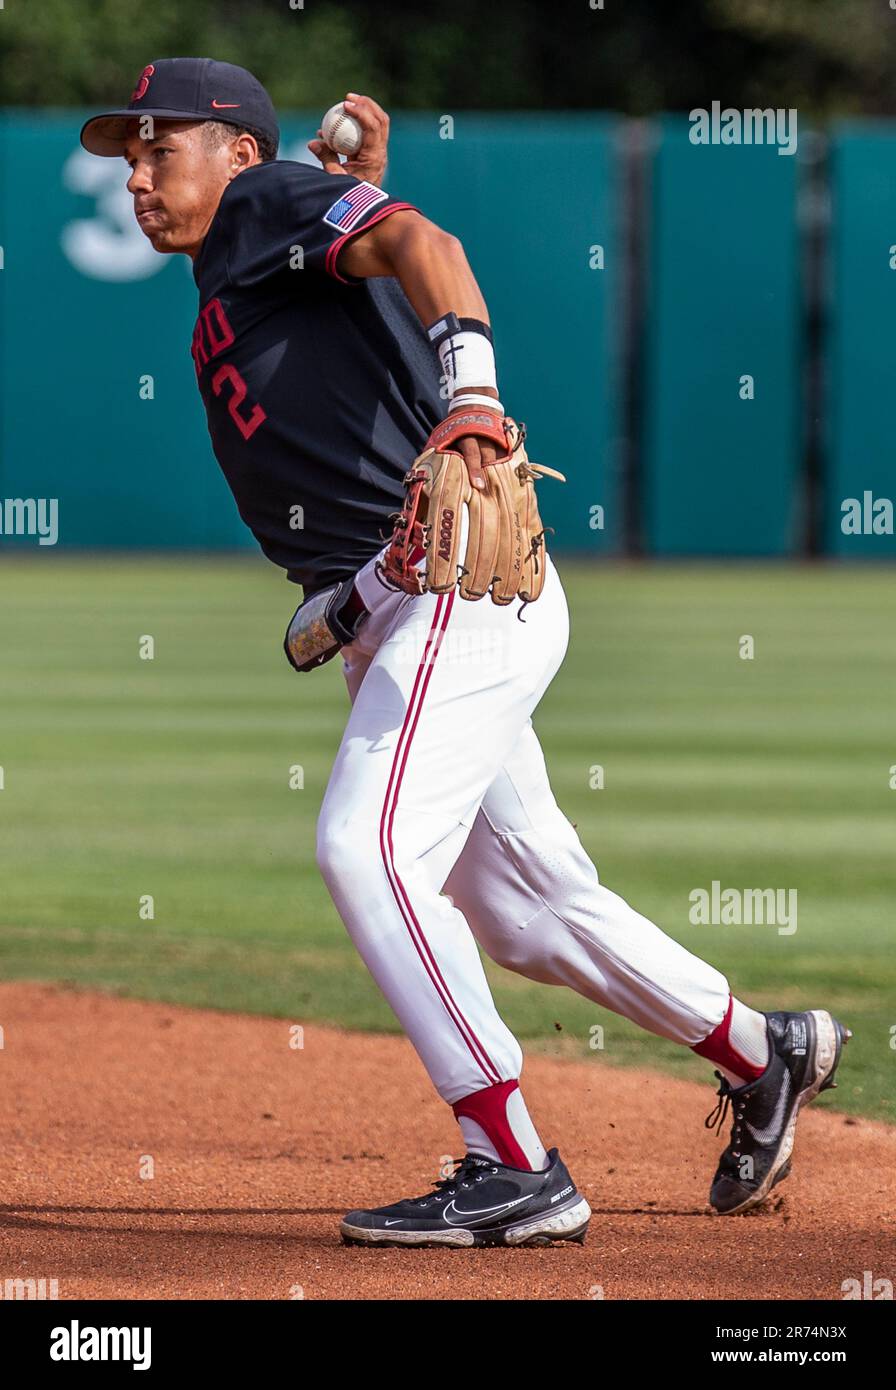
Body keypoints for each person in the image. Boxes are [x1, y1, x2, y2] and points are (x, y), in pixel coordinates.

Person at [81, 58, 850, 1249]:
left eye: (156, 146)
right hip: (401, 601)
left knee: (367, 847)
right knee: (530, 911)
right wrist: (337, 602)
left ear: (236, 149)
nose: (134, 175)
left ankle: (512, 1165)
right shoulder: (261, 237)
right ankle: (766, 1052)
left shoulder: (262, 202)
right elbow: (368, 271)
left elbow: (422, 242)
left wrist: (472, 395)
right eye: (125, 156)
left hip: (454, 591)